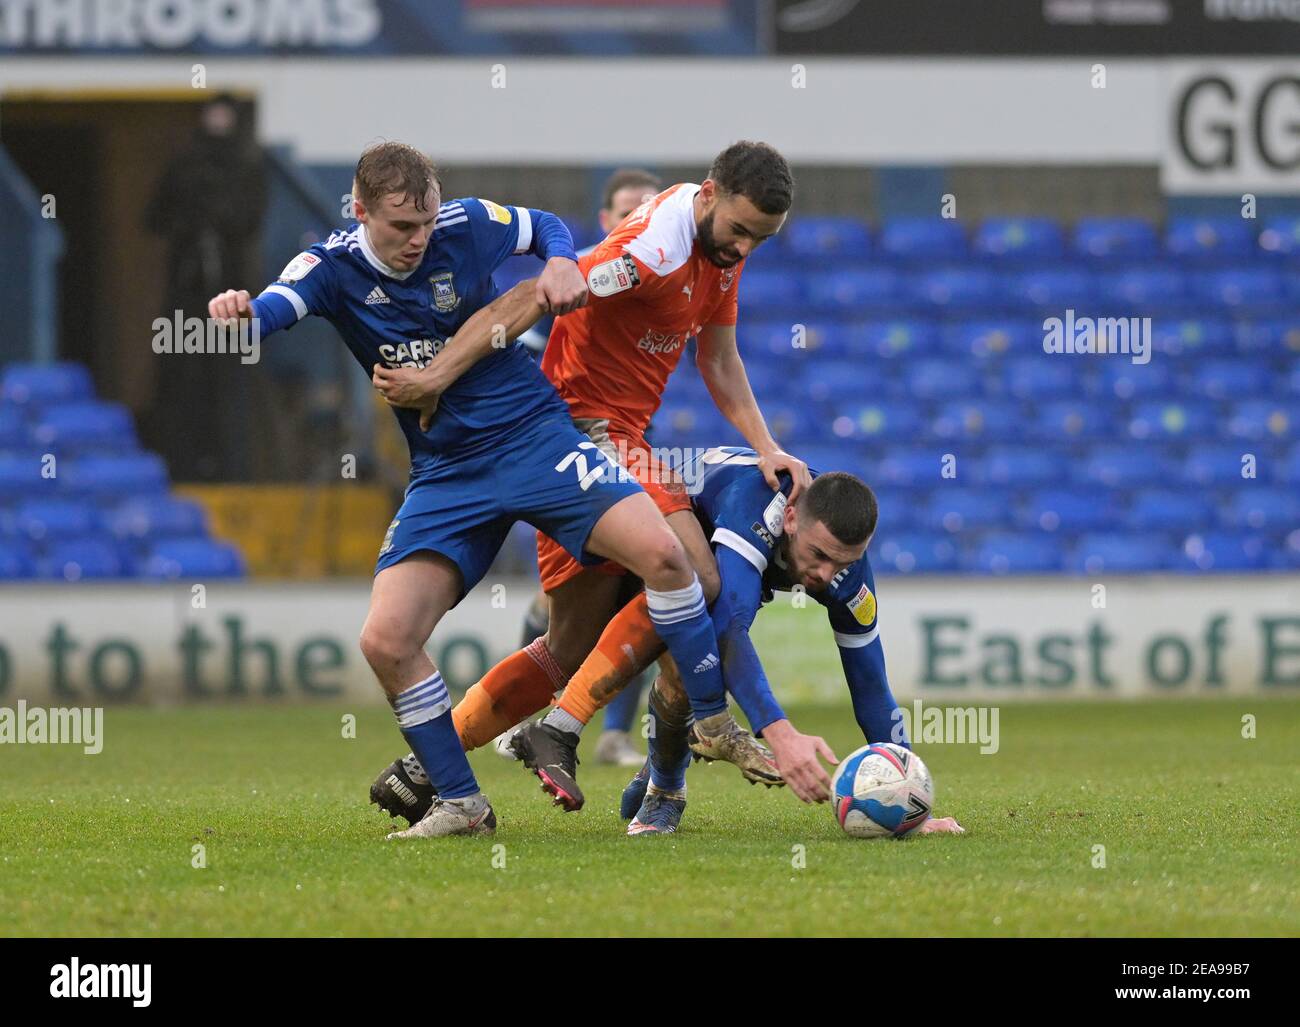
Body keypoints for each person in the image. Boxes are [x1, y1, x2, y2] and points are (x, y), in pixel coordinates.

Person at [208, 141, 737, 839]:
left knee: (669, 560)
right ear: (360, 210)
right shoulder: (329, 266)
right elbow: (280, 304)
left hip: (535, 436)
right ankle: (462, 803)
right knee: (387, 639)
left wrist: (556, 262)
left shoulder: (462, 223)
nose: (418, 240)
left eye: (426, 223)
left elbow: (544, 224)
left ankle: (709, 722)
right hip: (447, 471)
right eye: (401, 227)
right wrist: (242, 312)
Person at [369, 142, 810, 821]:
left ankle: (423, 768)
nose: (744, 247)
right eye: (740, 230)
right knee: (698, 574)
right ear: (711, 193)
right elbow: (532, 294)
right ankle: (688, 728)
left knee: (566, 645)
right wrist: (436, 375)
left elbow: (718, 358)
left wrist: (766, 445)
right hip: (586, 432)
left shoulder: (719, 251)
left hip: (612, 434)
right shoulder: (650, 254)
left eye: (761, 238)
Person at [513, 168, 664, 768]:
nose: (636, 220)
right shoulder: (576, 281)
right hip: (564, 452)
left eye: (647, 212)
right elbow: (523, 357)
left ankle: (613, 735)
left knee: (642, 584)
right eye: (626, 211)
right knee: (561, 609)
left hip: (626, 442)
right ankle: (530, 719)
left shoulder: (658, 281)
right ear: (605, 220)